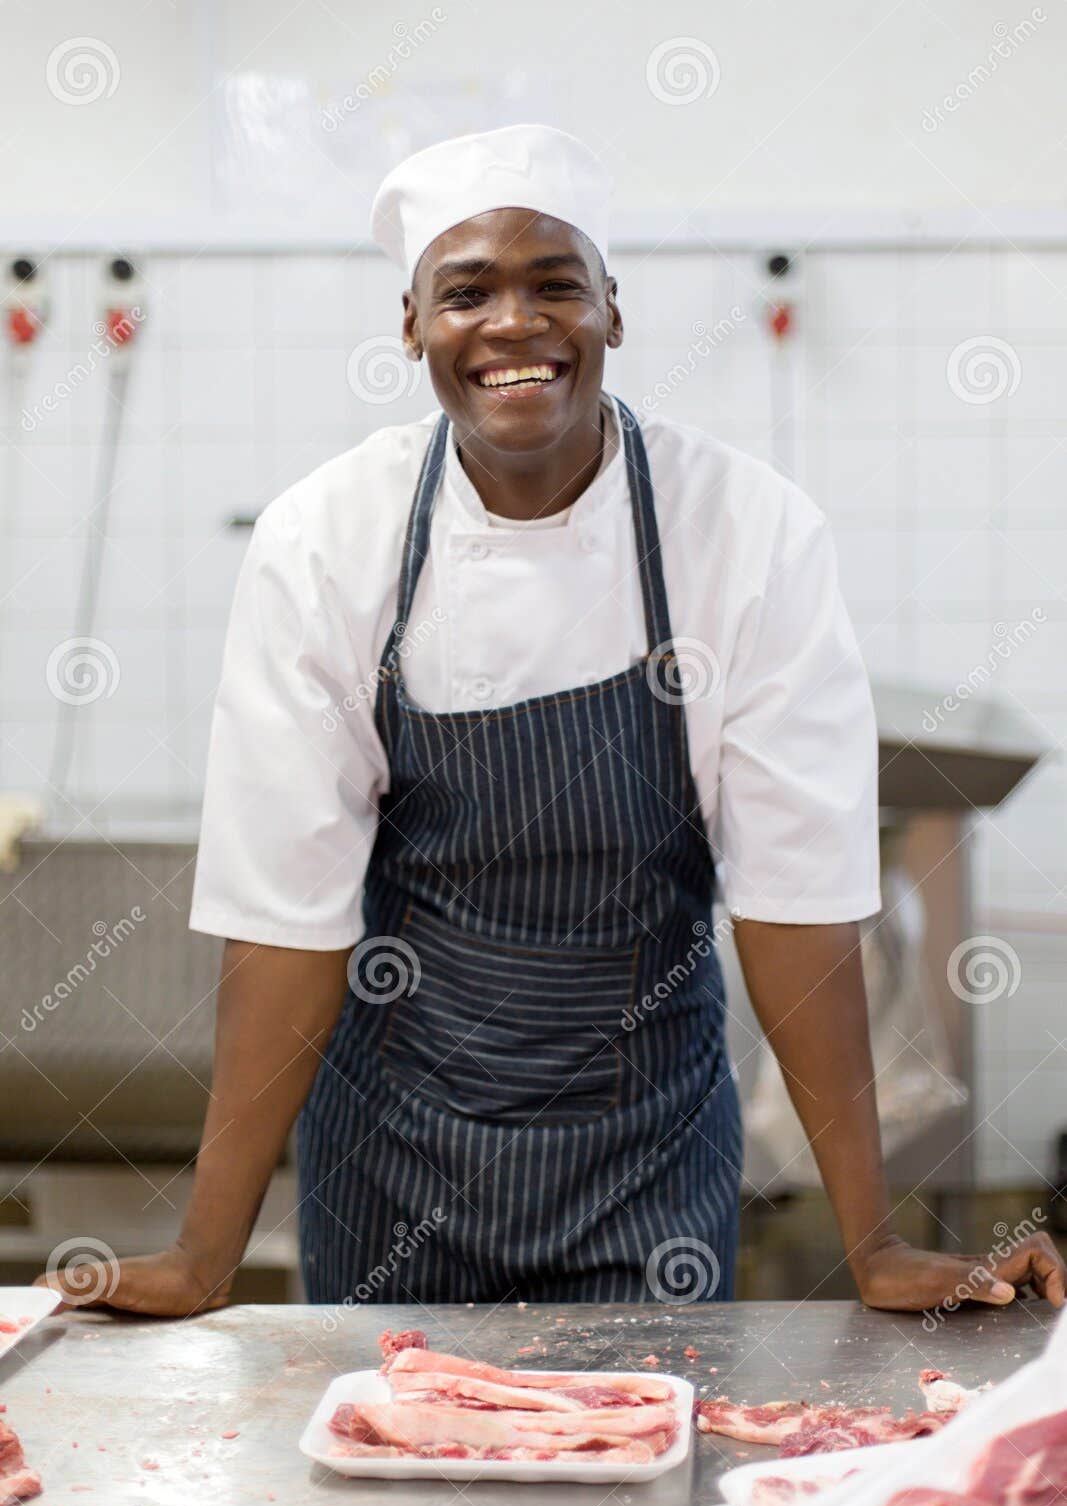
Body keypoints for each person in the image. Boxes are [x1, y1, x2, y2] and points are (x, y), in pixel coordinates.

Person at [43, 125, 1065, 1315]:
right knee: (383, 1474)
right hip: (390, 1145)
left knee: (643, 1476)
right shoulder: (327, 537)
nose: (513, 323)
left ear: (612, 312)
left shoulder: (745, 530)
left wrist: (873, 1246)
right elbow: (285, 916)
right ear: (412, 326)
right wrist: (203, 1259)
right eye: (465, 292)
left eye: (555, 285)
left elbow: (795, 906)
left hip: (644, 1143)